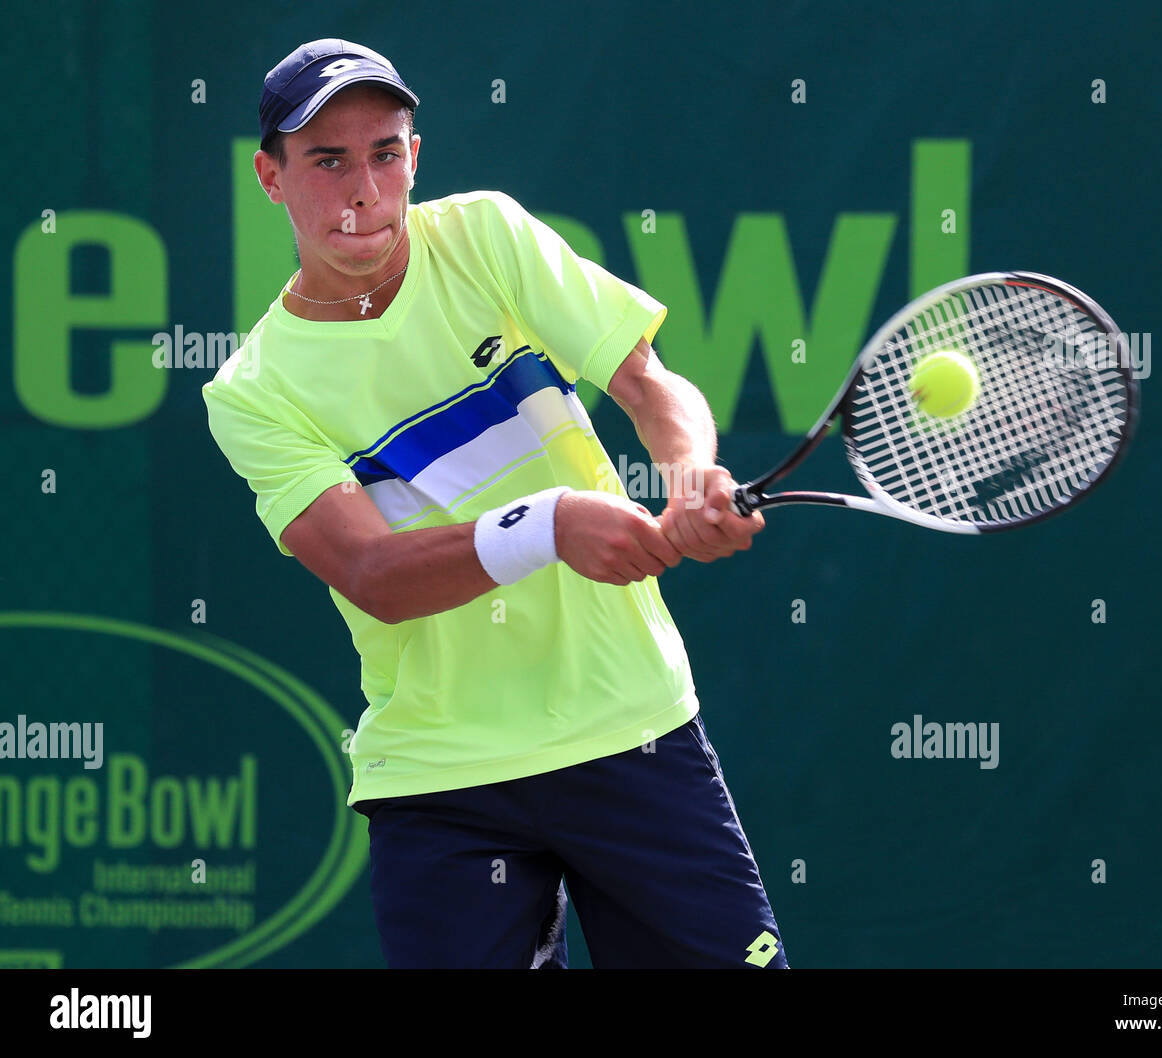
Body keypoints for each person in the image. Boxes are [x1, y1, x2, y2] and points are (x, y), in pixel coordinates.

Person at [202, 38, 787, 969]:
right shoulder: (252, 390)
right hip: (442, 783)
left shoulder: (486, 236)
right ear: (270, 177)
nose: (363, 188)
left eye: (385, 153)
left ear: (415, 158)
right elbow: (370, 573)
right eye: (327, 160)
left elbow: (650, 386)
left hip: (629, 727)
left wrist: (690, 476)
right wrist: (550, 526)